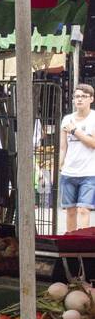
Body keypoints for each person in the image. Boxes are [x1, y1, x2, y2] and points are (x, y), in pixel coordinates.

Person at [59, 84, 95, 231]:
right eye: (77, 97)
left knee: (84, 210)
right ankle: (70, 244)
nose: (79, 100)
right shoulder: (67, 119)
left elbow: (93, 143)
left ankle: (82, 244)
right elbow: (63, 147)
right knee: (70, 211)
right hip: (69, 172)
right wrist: (60, 166)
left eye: (84, 96)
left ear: (91, 99)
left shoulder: (93, 118)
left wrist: (75, 131)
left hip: (89, 173)